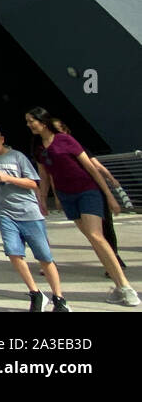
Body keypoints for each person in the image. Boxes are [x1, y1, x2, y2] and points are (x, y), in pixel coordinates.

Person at [26, 107, 138, 307]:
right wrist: (42, 199)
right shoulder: (38, 147)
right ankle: (118, 286)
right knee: (93, 240)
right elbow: (44, 176)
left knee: (96, 236)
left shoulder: (65, 140)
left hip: (87, 191)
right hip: (67, 196)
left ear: (43, 121)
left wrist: (109, 196)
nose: (29, 125)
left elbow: (90, 168)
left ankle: (126, 287)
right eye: (27, 122)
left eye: (31, 121)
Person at [0, 121, 69, 312]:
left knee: (44, 256)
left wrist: (8, 178)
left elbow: (34, 183)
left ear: (1, 139)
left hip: (28, 212)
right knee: (13, 252)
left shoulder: (17, 157)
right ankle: (35, 293)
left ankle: (59, 298)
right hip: (6, 213)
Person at [49, 119, 127, 269]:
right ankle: (111, 262)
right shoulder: (50, 151)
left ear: (66, 130)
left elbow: (95, 166)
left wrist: (111, 179)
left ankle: (114, 258)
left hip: (92, 190)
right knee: (92, 232)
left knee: (104, 227)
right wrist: (58, 197)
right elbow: (52, 175)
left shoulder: (77, 147)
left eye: (58, 130)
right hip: (70, 193)